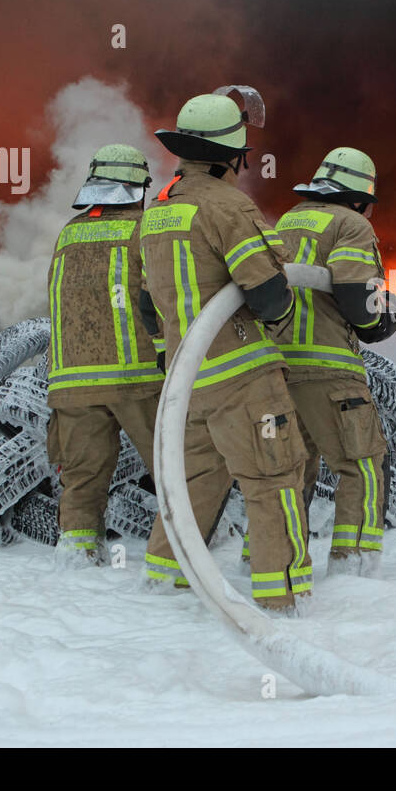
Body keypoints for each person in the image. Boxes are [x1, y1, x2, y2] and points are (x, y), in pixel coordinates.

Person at [138, 89, 312, 610]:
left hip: (187, 385)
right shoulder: (227, 206)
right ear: (231, 156)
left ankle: (161, 588)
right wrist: (279, 311)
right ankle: (281, 600)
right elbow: (268, 294)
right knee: (275, 475)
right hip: (242, 376)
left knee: (191, 481)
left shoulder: (157, 212)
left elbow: (150, 308)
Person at [272, 147, 396, 577]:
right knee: (362, 463)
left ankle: (268, 561)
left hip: (276, 368)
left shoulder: (287, 220)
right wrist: (383, 318)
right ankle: (355, 569)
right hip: (329, 371)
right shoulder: (352, 223)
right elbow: (355, 297)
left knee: (290, 471)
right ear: (361, 198)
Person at [46, 144, 164, 564]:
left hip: (71, 383)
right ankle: (187, 551)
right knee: (176, 467)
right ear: (138, 187)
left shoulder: (68, 233)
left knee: (81, 480)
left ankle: (77, 559)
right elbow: (159, 298)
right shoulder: (145, 229)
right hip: (137, 378)